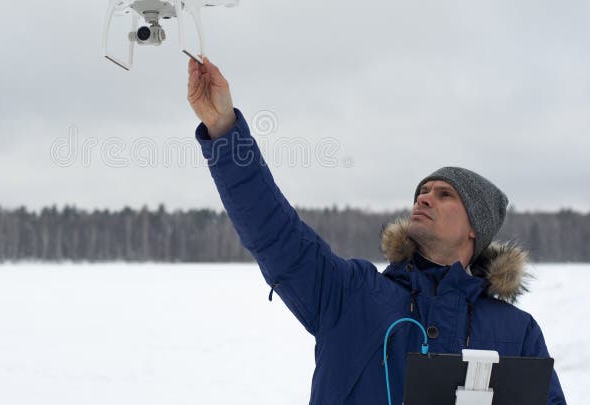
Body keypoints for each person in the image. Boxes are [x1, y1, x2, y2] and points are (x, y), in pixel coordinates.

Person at [186, 57, 566, 404]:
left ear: (474, 230)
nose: (424, 199)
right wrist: (224, 131)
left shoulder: (517, 333)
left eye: (444, 194)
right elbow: (273, 232)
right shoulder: (351, 295)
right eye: (422, 192)